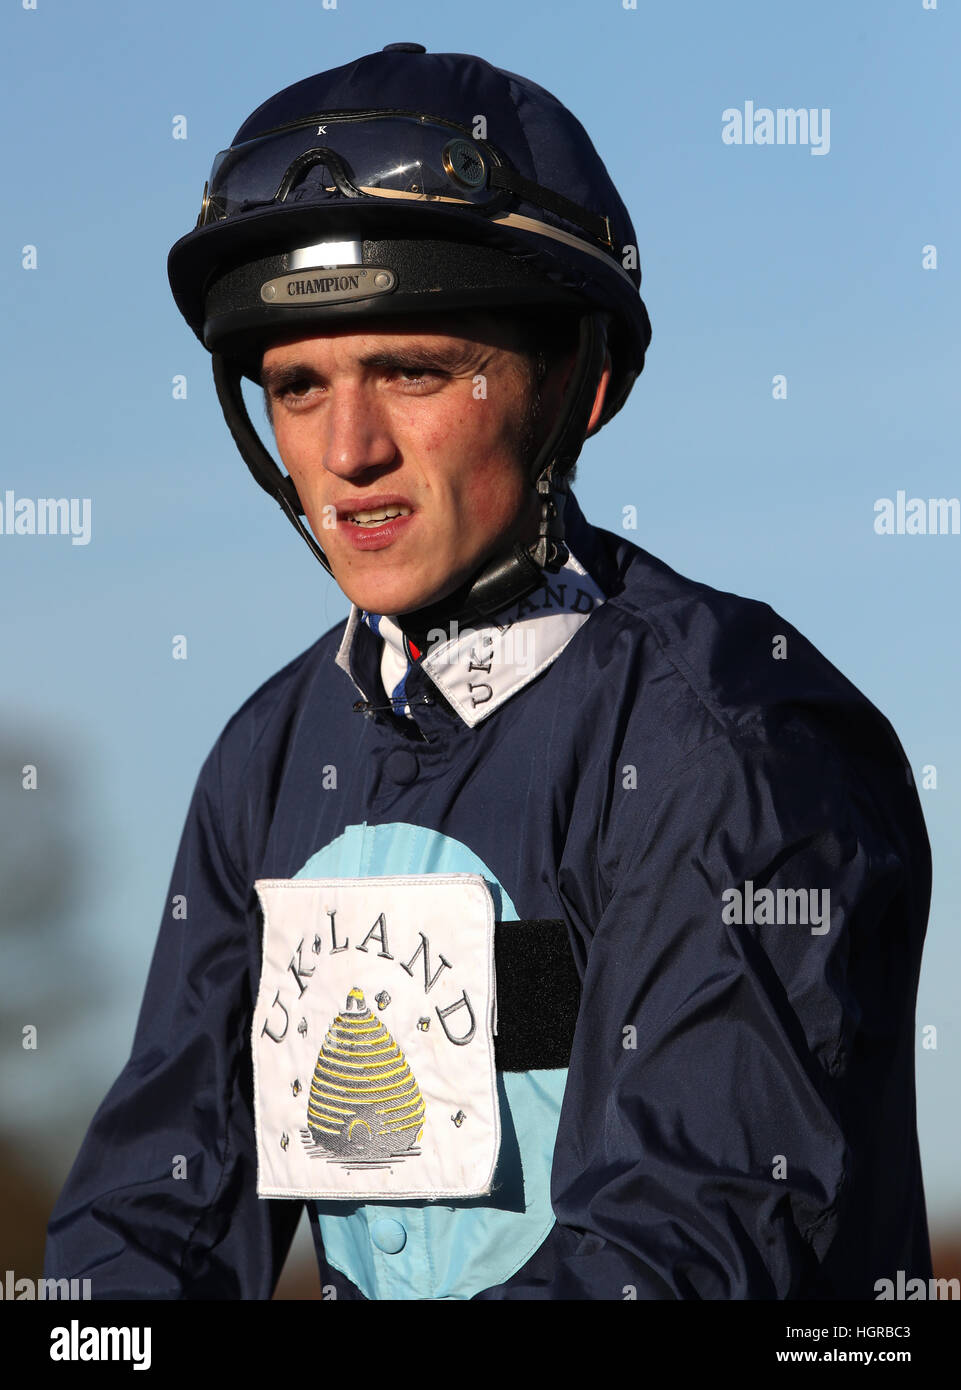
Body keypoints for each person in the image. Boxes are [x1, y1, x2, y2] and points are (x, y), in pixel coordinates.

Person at [44, 42, 931, 1301]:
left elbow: (682, 1249)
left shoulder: (735, 740)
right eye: (297, 386)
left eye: (409, 371)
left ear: (578, 380)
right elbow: (147, 1221)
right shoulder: (267, 757)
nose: (347, 450)